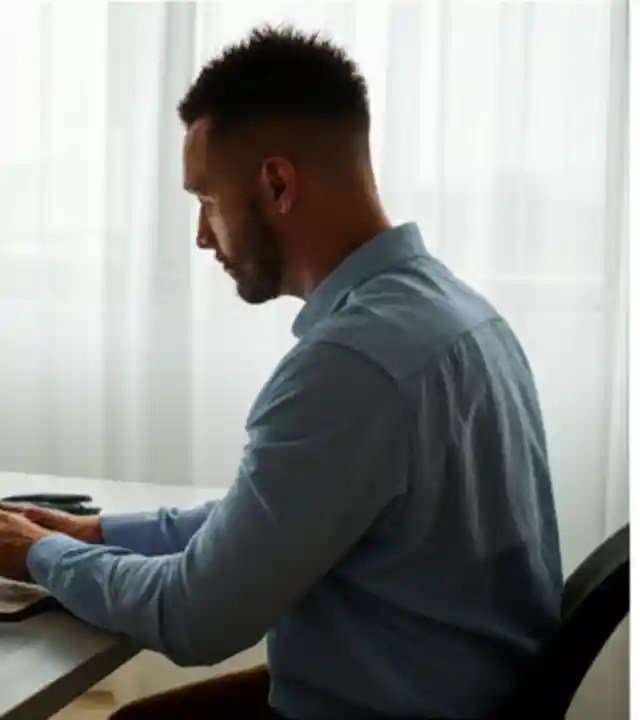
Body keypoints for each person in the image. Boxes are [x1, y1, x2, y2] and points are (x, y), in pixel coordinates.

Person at [0, 24, 563, 719]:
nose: (202, 236)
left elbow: (194, 617)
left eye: (206, 200)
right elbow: (275, 516)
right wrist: (95, 534)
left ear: (276, 183)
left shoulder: (352, 365)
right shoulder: (458, 314)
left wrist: (34, 557)